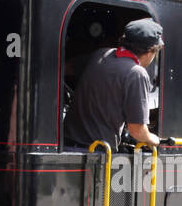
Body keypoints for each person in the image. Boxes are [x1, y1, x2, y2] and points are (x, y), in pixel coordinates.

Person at [64, 18, 163, 149]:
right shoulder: (137, 74)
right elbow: (137, 131)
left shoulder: (101, 54)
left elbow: (67, 68)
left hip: (66, 142)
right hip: (95, 152)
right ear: (151, 51)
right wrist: (154, 139)